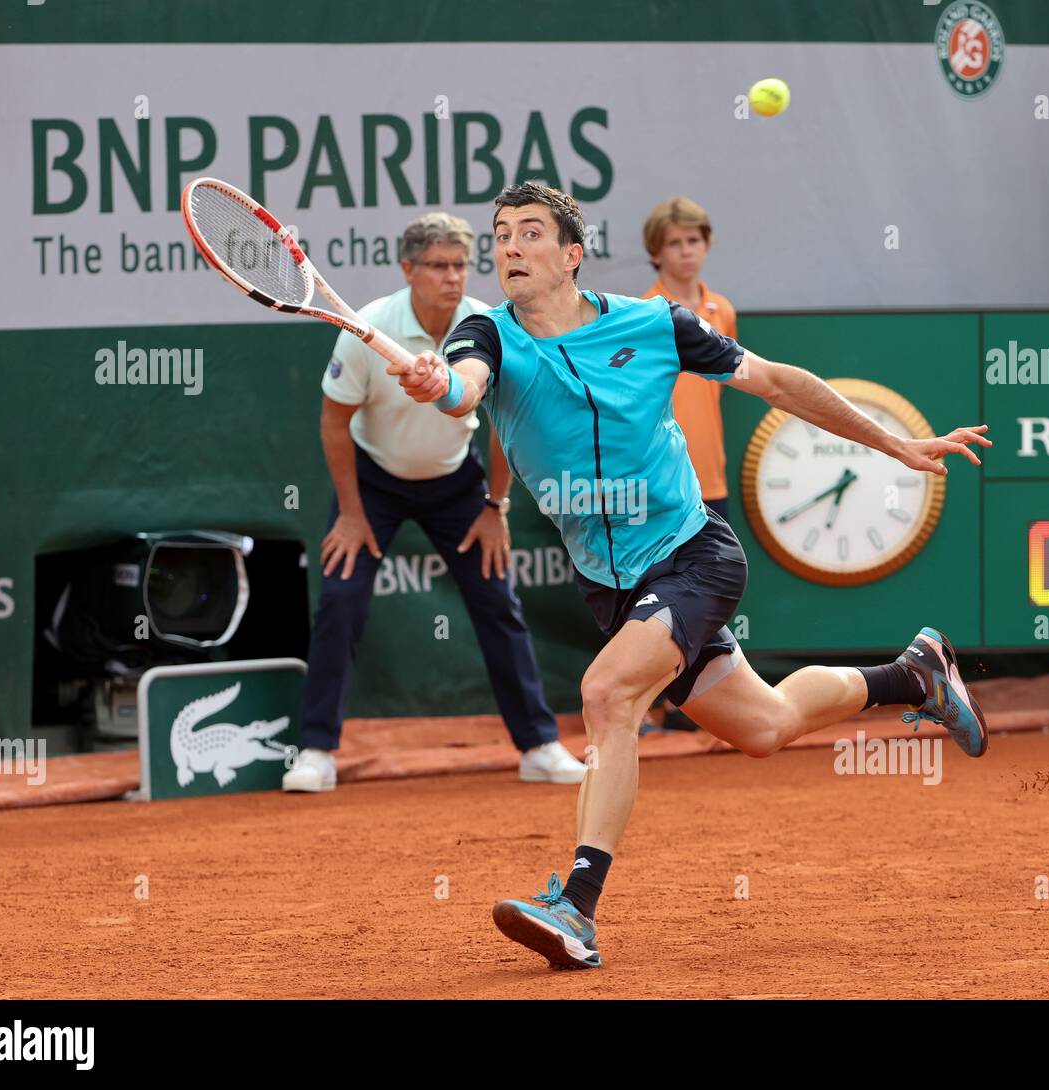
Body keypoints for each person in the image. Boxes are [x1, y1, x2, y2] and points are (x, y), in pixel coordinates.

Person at [390, 183, 992, 969]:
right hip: (613, 586)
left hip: (693, 554)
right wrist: (444, 387)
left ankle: (575, 907)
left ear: (571, 254)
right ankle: (915, 676)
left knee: (607, 695)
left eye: (529, 233)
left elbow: (777, 382)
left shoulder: (657, 325)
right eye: (500, 235)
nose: (508, 248)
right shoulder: (487, 333)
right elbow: (465, 383)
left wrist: (894, 443)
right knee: (766, 728)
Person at [284, 211, 586, 793]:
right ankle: (316, 751)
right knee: (341, 601)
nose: (452, 277)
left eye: (459, 265)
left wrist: (494, 506)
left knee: (497, 601)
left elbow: (505, 424)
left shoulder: (486, 326)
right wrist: (350, 511)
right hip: (374, 484)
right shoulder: (369, 326)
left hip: (456, 484)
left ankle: (539, 745)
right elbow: (333, 421)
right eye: (438, 266)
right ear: (408, 270)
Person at [641, 196, 736, 731]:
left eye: (694, 241)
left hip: (711, 477)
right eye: (674, 243)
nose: (686, 252)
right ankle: (648, 702)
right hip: (660, 481)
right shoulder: (641, 313)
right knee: (653, 592)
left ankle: (700, 708)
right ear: (657, 252)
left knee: (706, 599)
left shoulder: (722, 309)